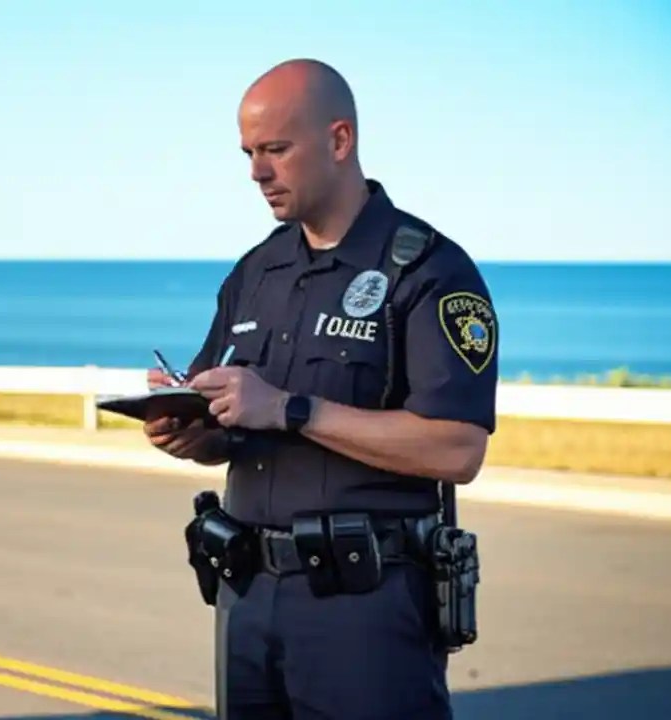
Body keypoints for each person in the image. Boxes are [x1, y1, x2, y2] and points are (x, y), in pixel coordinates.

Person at [146, 59, 497, 719]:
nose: (257, 172)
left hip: (365, 611)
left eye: (276, 149)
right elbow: (230, 422)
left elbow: (457, 449)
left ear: (340, 140)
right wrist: (191, 431)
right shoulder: (257, 271)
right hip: (247, 595)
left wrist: (291, 410)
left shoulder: (428, 270)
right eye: (249, 153)